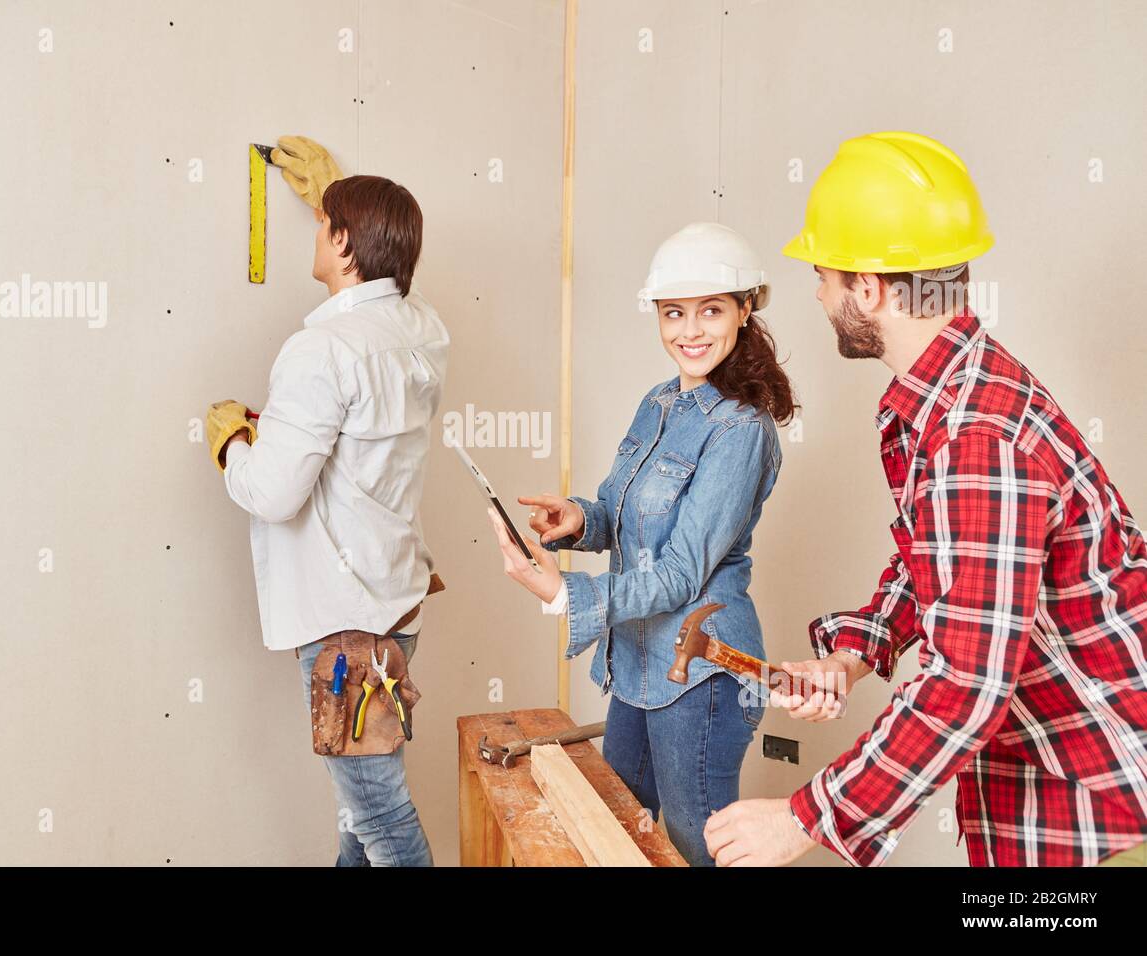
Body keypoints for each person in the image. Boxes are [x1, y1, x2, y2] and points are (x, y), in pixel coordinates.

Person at [704, 131, 1147, 867]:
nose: (817, 294)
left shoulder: (977, 436)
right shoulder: (955, 393)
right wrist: (855, 652)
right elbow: (938, 557)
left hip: (1108, 797)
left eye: (824, 275)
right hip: (1047, 778)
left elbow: (966, 685)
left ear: (869, 287)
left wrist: (805, 818)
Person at [486, 223, 797, 865]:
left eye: (711, 310)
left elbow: (682, 571)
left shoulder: (741, 428)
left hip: (705, 672)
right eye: (673, 312)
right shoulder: (657, 403)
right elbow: (624, 517)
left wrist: (563, 594)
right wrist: (579, 519)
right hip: (635, 663)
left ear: (744, 309)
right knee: (622, 827)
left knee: (696, 844)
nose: (690, 330)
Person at [208, 158, 449, 866]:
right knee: (359, 816)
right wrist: (359, 213)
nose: (314, 232)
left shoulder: (320, 352)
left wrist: (231, 445)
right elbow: (390, 308)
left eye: (323, 225)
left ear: (342, 244)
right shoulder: (424, 333)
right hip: (396, 613)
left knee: (381, 822)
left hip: (343, 635)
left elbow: (273, 492)